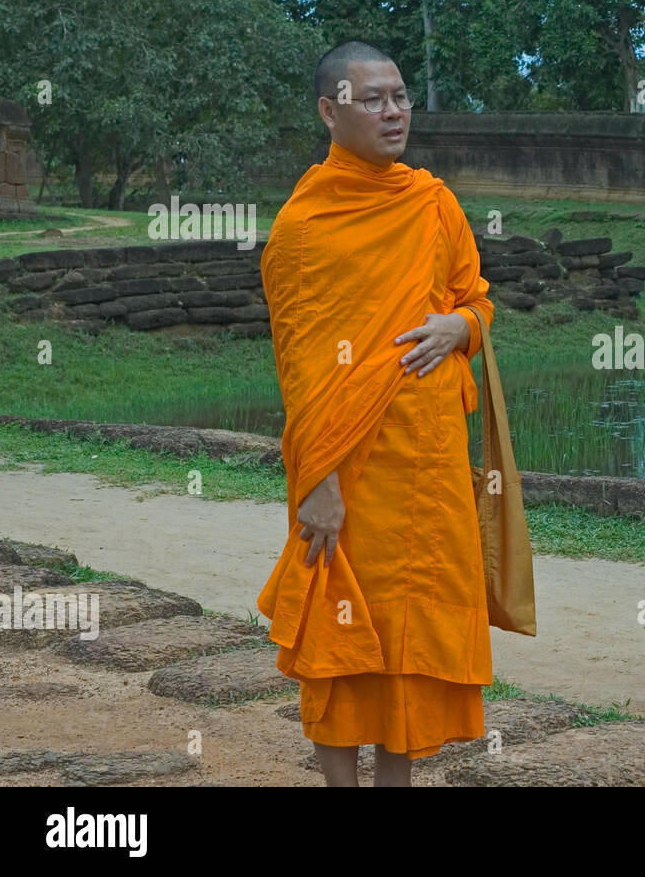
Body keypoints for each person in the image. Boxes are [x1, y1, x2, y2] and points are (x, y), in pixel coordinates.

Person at [257, 40, 494, 786]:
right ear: (331, 111)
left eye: (401, 97)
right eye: (374, 99)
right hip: (350, 474)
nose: (394, 112)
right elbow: (300, 367)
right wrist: (316, 483)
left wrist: (465, 328)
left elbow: (473, 296)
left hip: (427, 472)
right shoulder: (303, 228)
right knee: (340, 626)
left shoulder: (432, 202)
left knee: (413, 627)